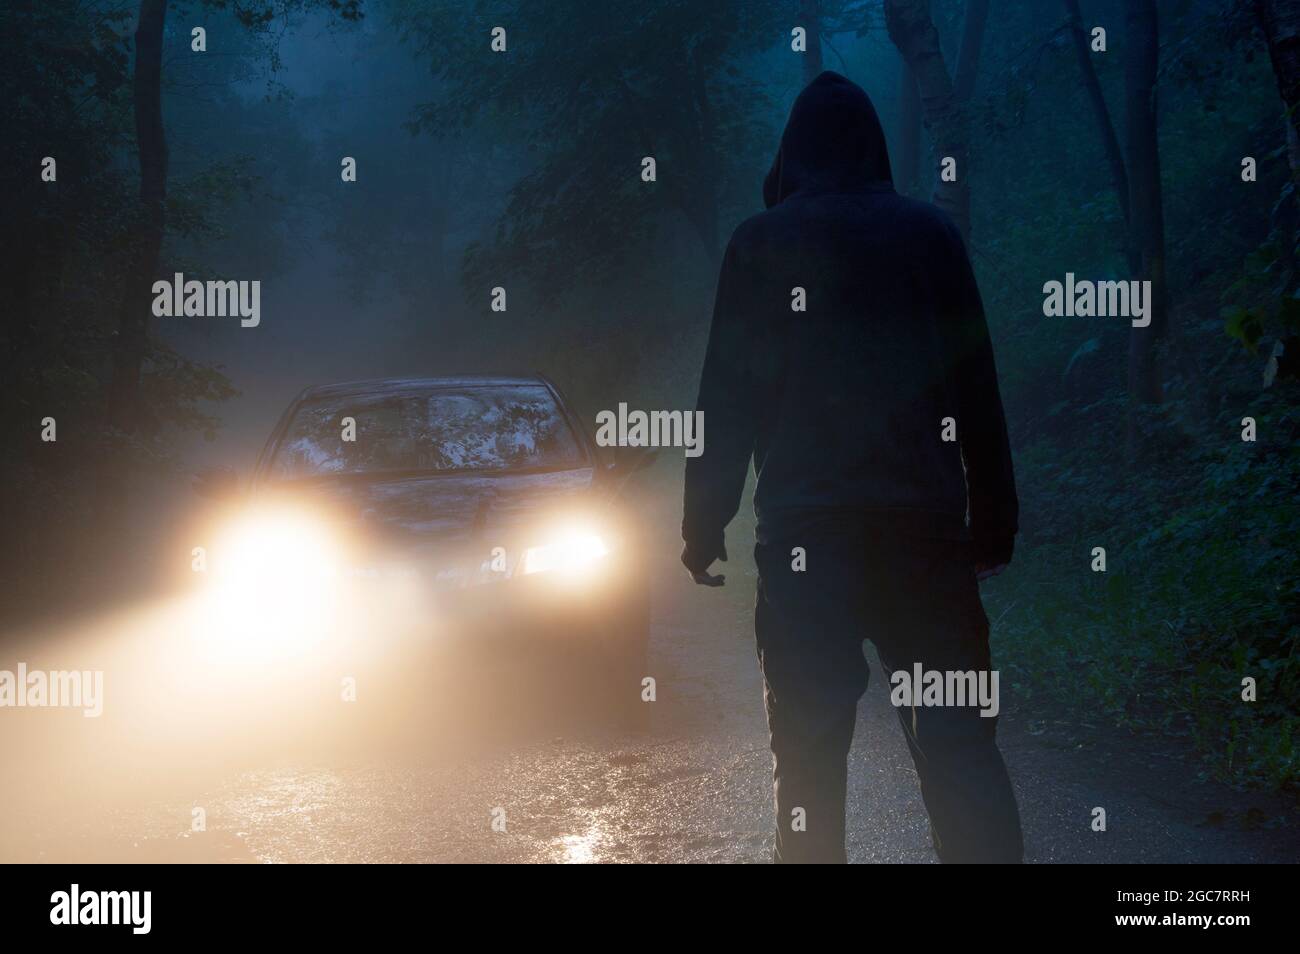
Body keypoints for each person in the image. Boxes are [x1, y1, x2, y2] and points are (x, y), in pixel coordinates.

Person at [681, 71, 1023, 863]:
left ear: (792, 154)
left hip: (807, 541)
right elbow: (977, 387)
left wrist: (704, 523)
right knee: (958, 744)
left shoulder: (759, 244)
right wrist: (994, 519)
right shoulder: (930, 236)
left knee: (807, 753)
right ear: (873, 146)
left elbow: (725, 398)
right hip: (923, 537)